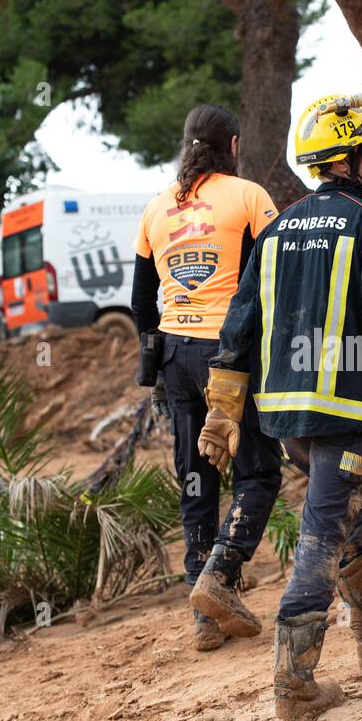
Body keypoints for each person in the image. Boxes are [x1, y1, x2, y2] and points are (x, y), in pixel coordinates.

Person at [192, 93, 362, 721]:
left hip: (288, 416)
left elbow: (240, 320)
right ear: (346, 157)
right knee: (321, 537)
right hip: (346, 409)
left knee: (359, 504)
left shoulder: (281, 227)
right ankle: (295, 683)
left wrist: (224, 406)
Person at [131, 103, 283, 652]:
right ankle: (219, 578)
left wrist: (153, 367)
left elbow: (140, 300)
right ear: (234, 147)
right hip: (231, 356)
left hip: (175, 357)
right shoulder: (248, 197)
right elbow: (274, 276)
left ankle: (204, 616)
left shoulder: (155, 209)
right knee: (257, 473)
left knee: (195, 477)